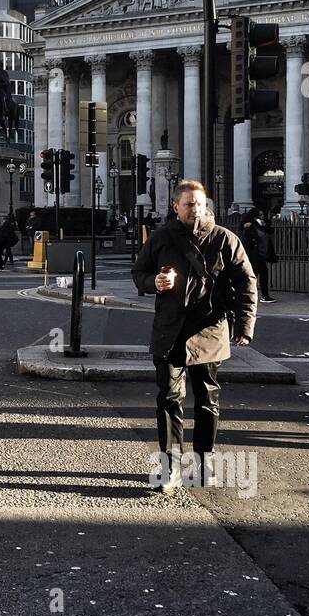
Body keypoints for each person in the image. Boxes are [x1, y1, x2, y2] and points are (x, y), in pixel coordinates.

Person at [132, 179, 258, 492]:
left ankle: (205, 464)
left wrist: (244, 326)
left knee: (207, 400)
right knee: (169, 400)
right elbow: (139, 273)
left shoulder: (224, 238)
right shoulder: (161, 238)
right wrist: (154, 282)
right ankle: (171, 468)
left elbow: (246, 283)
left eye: (199, 203)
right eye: (189, 204)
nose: (195, 209)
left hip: (209, 329)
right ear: (175, 206)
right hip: (170, 330)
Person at [238, 206, 277, 303]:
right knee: (254, 275)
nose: (262, 216)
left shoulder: (262, 225)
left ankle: (262, 295)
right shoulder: (250, 226)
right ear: (255, 216)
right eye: (260, 215)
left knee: (260, 275)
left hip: (262, 254)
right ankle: (252, 295)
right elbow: (247, 240)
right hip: (254, 255)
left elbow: (270, 231)